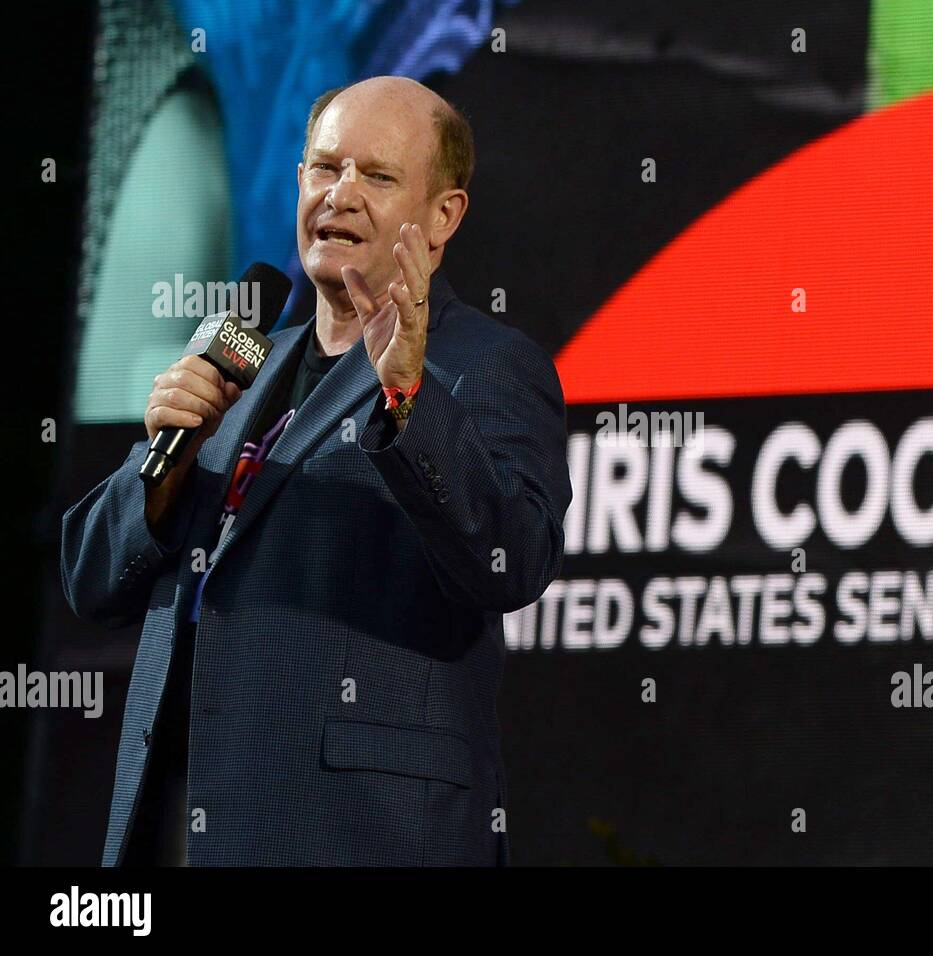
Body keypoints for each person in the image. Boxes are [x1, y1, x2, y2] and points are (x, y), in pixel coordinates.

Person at [61, 76, 571, 866]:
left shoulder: (486, 367)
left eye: (377, 175)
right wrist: (162, 471)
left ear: (443, 217)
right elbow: (90, 578)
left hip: (354, 834)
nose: (340, 194)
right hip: (175, 823)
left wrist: (407, 395)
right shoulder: (240, 365)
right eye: (324, 168)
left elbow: (514, 558)